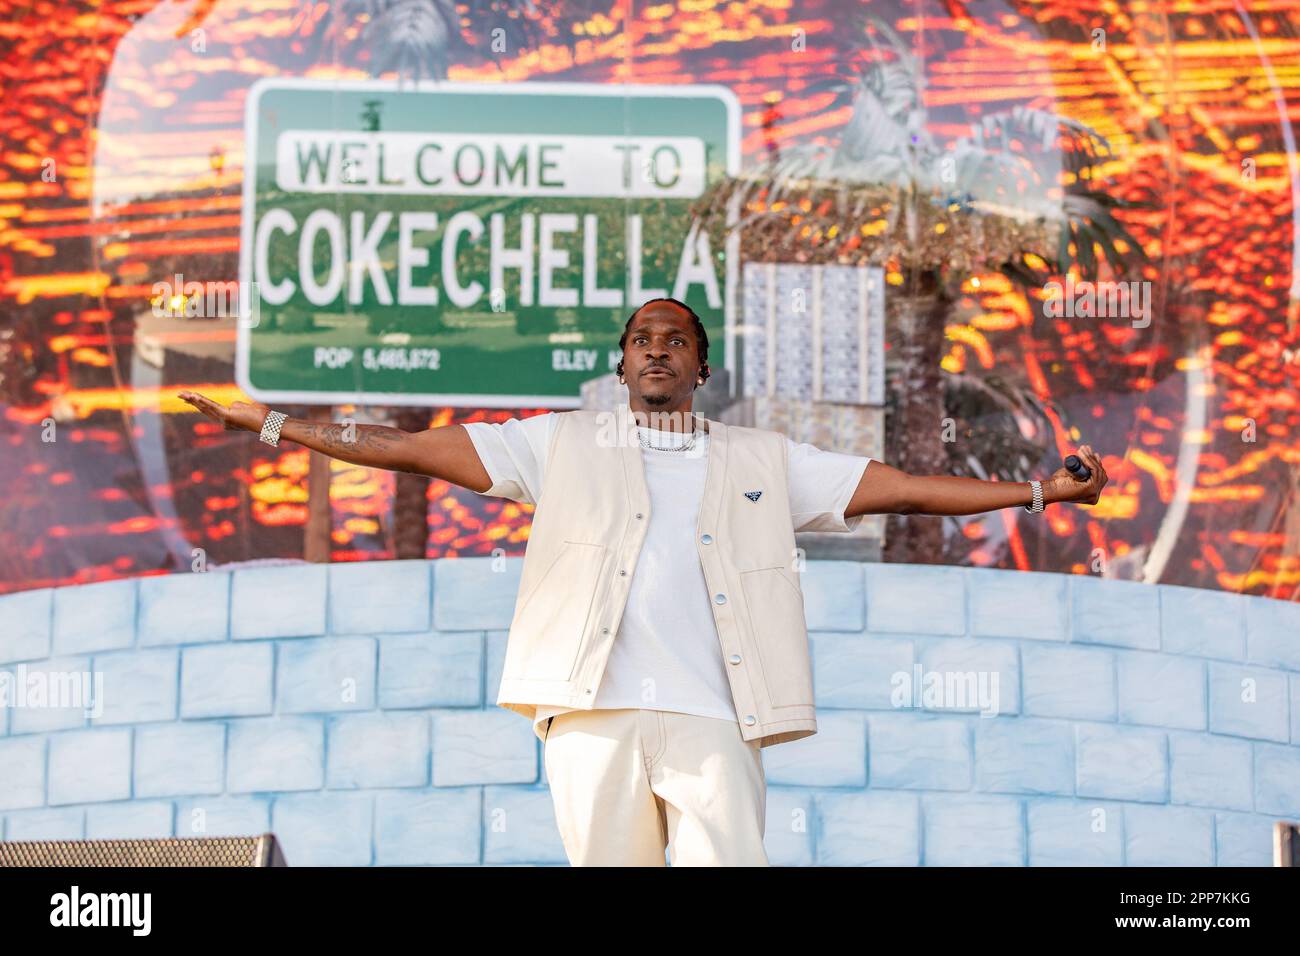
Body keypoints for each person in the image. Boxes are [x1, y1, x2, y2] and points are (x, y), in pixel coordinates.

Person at [178, 296, 1108, 867]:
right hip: (592, 716)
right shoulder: (557, 442)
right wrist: (271, 424)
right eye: (640, 338)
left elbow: (899, 486)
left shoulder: (761, 456)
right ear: (621, 364)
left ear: (701, 367)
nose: (657, 349)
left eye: (676, 339)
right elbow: (408, 448)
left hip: (716, 719)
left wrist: (1033, 490)